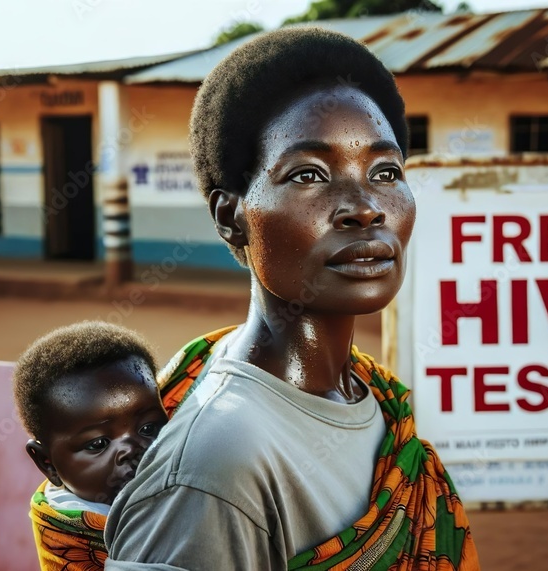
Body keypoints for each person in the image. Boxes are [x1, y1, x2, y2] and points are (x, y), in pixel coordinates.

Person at [106, 27, 479, 570]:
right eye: (309, 174)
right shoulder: (217, 465)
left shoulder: (374, 397)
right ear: (230, 217)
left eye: (386, 172)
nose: (365, 207)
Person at [13, 321, 169, 571]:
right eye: (98, 443)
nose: (131, 449)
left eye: (147, 428)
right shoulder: (69, 529)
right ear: (47, 464)